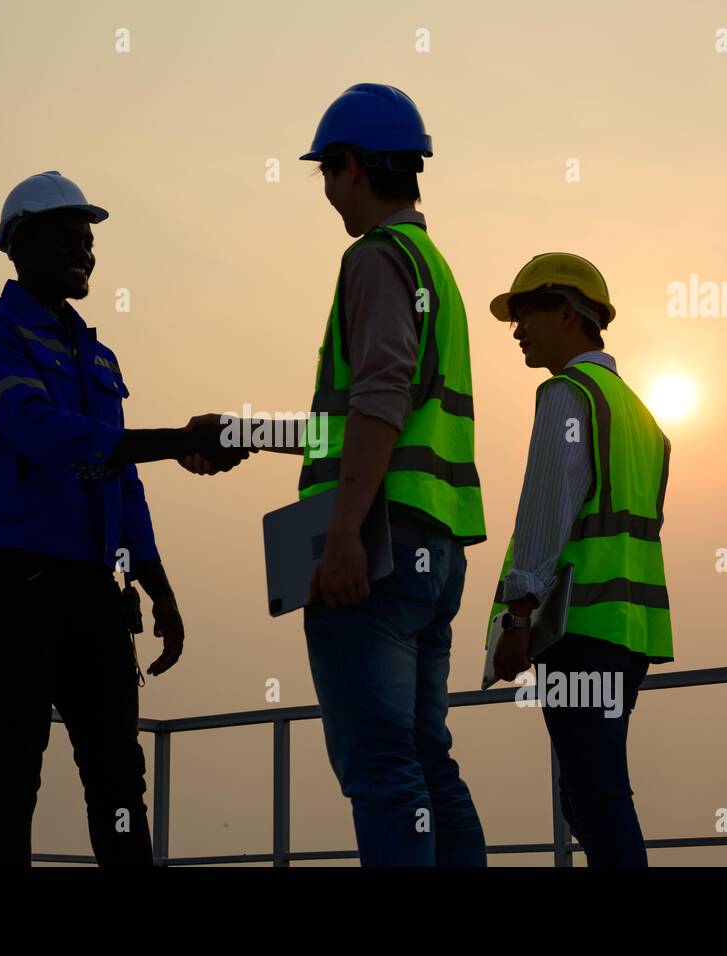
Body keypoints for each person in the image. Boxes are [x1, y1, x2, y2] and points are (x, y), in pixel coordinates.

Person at [0, 170, 247, 867]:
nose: (85, 252)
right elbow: (40, 431)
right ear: (21, 244)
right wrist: (179, 441)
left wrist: (158, 587)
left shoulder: (98, 354)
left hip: (93, 592)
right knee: (15, 763)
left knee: (117, 775)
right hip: (16, 579)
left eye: (90, 241)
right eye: (69, 237)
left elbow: (123, 480)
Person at [244, 84, 489, 866]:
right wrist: (248, 430)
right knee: (423, 759)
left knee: (381, 767)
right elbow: (362, 418)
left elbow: (380, 399)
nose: (325, 191)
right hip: (431, 549)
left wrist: (342, 534)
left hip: (376, 549)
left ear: (351, 167)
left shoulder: (376, 259)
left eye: (326, 172)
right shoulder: (431, 268)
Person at [487, 252, 674, 867]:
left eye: (526, 315)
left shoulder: (567, 397)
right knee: (593, 790)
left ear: (567, 314)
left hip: (578, 631)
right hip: (629, 635)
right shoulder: (641, 416)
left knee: (594, 796)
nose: (516, 331)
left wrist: (517, 623)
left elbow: (546, 514)